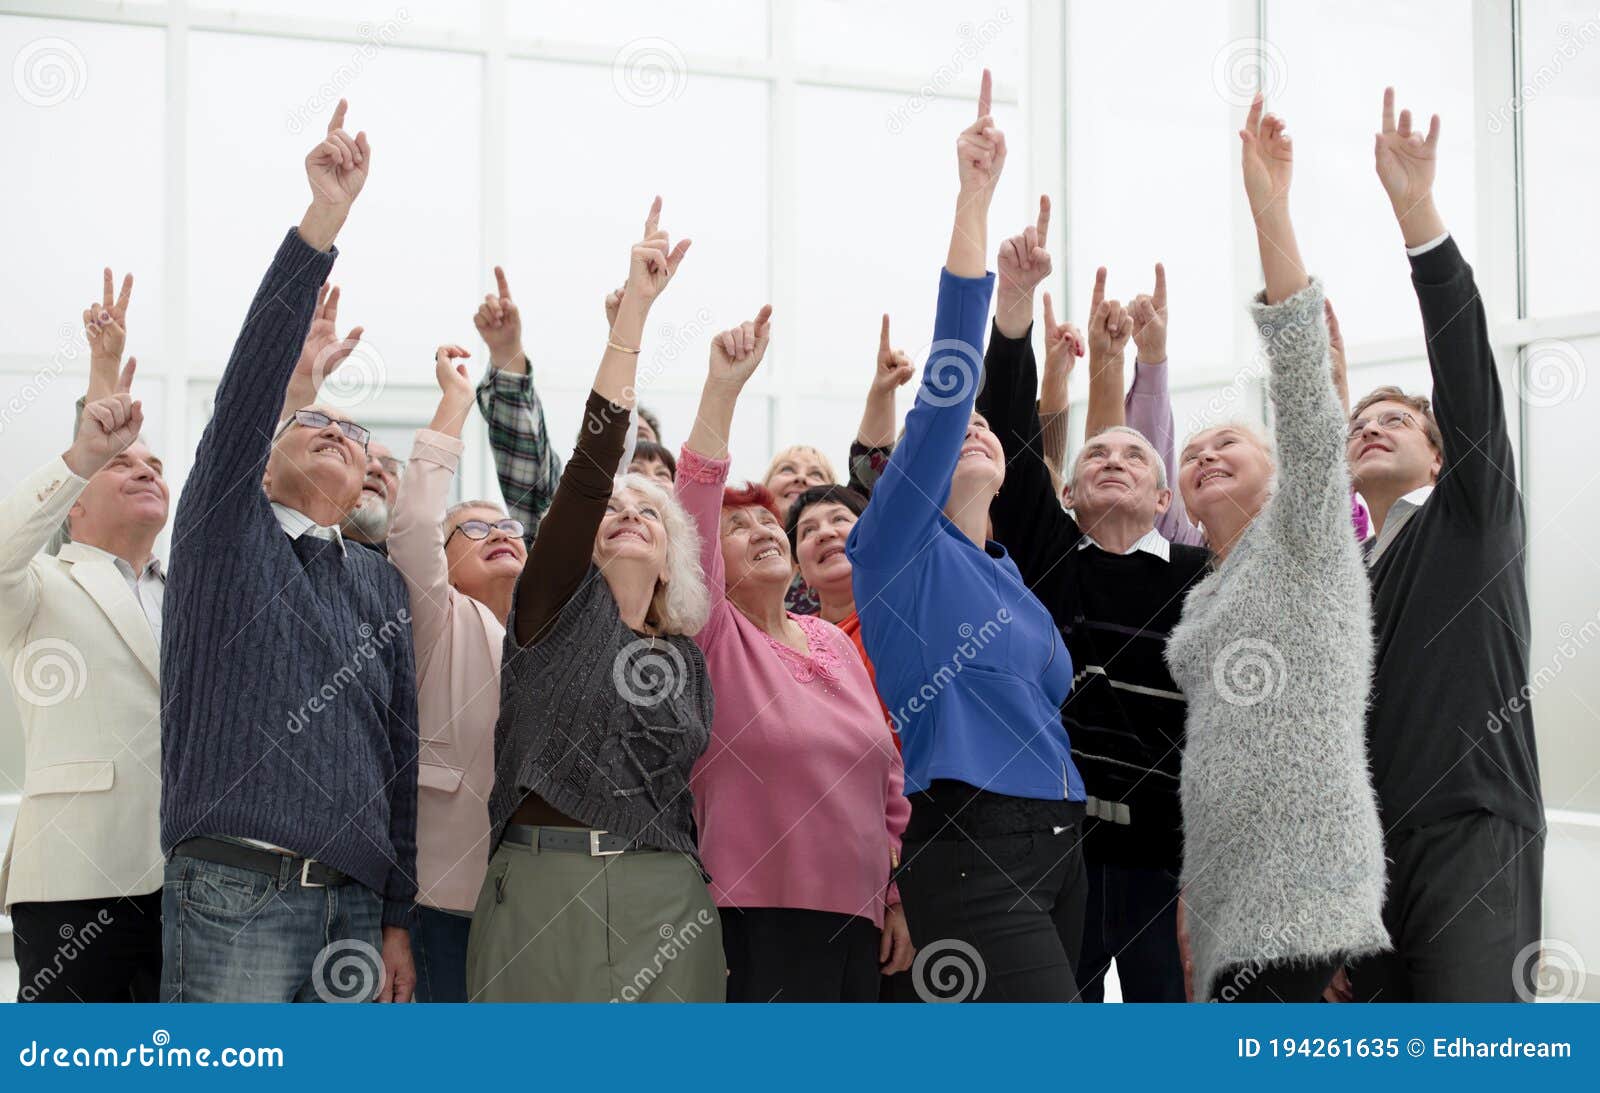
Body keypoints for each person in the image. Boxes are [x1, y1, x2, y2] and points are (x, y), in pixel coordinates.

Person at [159, 100, 420, 1003]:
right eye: (310, 421)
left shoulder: (380, 588)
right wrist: (324, 223)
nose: (334, 433)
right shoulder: (221, 533)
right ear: (263, 459)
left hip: (352, 909)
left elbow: (399, 757)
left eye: (354, 434)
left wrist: (395, 915)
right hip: (235, 888)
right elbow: (246, 391)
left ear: (365, 491)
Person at [848, 71, 1087, 1003]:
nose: (979, 429)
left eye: (996, 429)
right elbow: (954, 380)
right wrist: (974, 201)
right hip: (969, 843)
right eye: (959, 432)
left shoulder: (1013, 573)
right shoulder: (894, 545)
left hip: (1064, 838)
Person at [468, 199, 724, 1003]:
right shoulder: (549, 606)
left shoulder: (685, 656)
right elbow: (588, 464)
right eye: (612, 509)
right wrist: (634, 315)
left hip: (668, 899)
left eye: (649, 509)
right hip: (544, 887)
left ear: (675, 551)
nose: (627, 514)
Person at [1166, 95, 1388, 1003]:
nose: (1205, 453)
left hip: (1309, 899)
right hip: (1223, 906)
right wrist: (1191, 901)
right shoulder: (1203, 597)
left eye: (1230, 444)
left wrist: (1270, 213)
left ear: (1285, 475)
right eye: (1191, 452)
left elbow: (1303, 397)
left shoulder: (1305, 536)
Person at [1336, 89, 1544, 1004]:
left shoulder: (1473, 513)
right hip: (1367, 871)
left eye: (1395, 419)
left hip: (1471, 837)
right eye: (1359, 422)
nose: (1372, 429)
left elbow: (1464, 371)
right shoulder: (1353, 572)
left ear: (1441, 448)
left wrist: (1417, 219)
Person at [974, 200, 1209, 1003]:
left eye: (1133, 455)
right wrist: (1012, 313)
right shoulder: (1047, 556)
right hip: (1052, 849)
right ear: (1066, 489)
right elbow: (1006, 433)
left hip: (1166, 861)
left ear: (1164, 491)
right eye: (1095, 452)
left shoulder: (1202, 577)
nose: (1113, 458)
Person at [679, 303, 913, 1003]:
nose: (760, 530)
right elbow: (692, 513)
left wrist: (894, 895)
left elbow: (889, 787)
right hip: (755, 914)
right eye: (737, 527)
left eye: (765, 521)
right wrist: (722, 390)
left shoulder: (832, 643)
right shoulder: (715, 635)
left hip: (859, 917)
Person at [1, 272, 166, 1002]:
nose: (147, 469)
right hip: (74, 880)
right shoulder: (39, 585)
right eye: (126, 464)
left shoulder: (187, 595)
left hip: (190, 885)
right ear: (76, 506)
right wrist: (82, 453)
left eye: (157, 466)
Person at [386, 344, 527, 1002]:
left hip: (531, 906)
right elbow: (414, 520)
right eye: (473, 527)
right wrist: (455, 407)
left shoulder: (548, 635)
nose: (499, 531)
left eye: (509, 525)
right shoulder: (435, 617)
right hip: (441, 901)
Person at [778, 315, 914, 615]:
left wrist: (882, 390)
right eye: (787, 469)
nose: (801, 480)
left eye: (816, 475)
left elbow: (871, 461)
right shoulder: (790, 641)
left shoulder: (905, 611)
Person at [473, 265, 563, 543]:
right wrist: (507, 353)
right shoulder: (571, 534)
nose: (631, 511)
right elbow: (531, 475)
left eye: (659, 473)